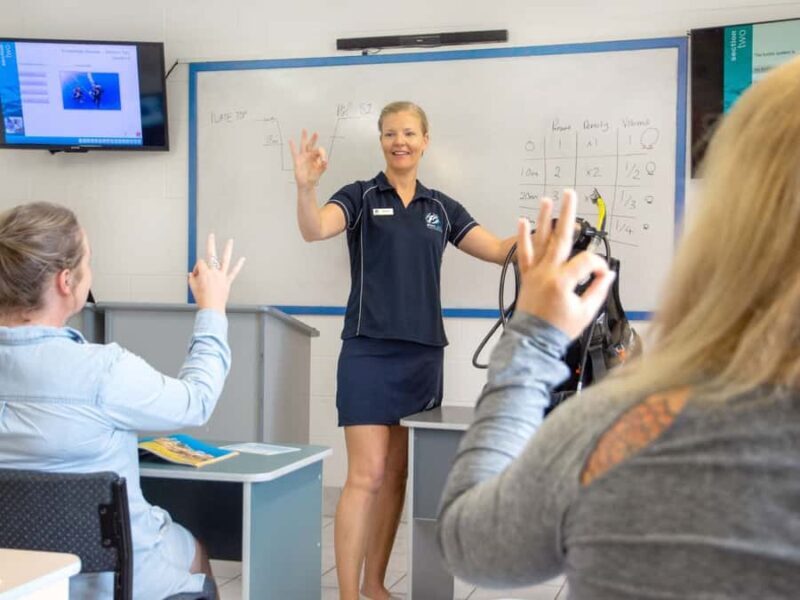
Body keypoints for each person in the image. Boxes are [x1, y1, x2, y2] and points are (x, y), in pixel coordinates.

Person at [437, 56, 800, 598]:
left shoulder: (617, 429)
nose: (400, 142)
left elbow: (471, 543)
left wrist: (533, 335)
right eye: (391, 134)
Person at [290, 101, 516, 600]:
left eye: (410, 133)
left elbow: (501, 250)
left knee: (395, 476)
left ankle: (374, 584)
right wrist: (306, 187)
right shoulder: (360, 196)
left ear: (425, 141)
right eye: (391, 133)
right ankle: (348, 594)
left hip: (422, 355)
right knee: (366, 475)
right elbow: (314, 228)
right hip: (368, 352)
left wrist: (547, 236)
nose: (400, 142)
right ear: (381, 141)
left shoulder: (442, 208)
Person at [0, 202, 245, 600]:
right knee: (192, 548)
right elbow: (197, 400)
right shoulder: (103, 371)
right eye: (88, 262)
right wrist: (213, 309)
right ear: (66, 281)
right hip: (114, 582)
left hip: (19, 582)